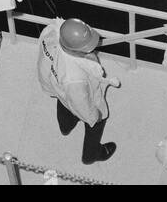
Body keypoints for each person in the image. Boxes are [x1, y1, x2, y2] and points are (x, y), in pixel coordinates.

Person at [37, 17, 120, 164]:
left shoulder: (51, 32)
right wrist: (95, 116)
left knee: (64, 104)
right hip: (71, 91)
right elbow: (81, 103)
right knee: (96, 123)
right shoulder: (74, 78)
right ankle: (91, 155)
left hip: (58, 86)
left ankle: (65, 128)